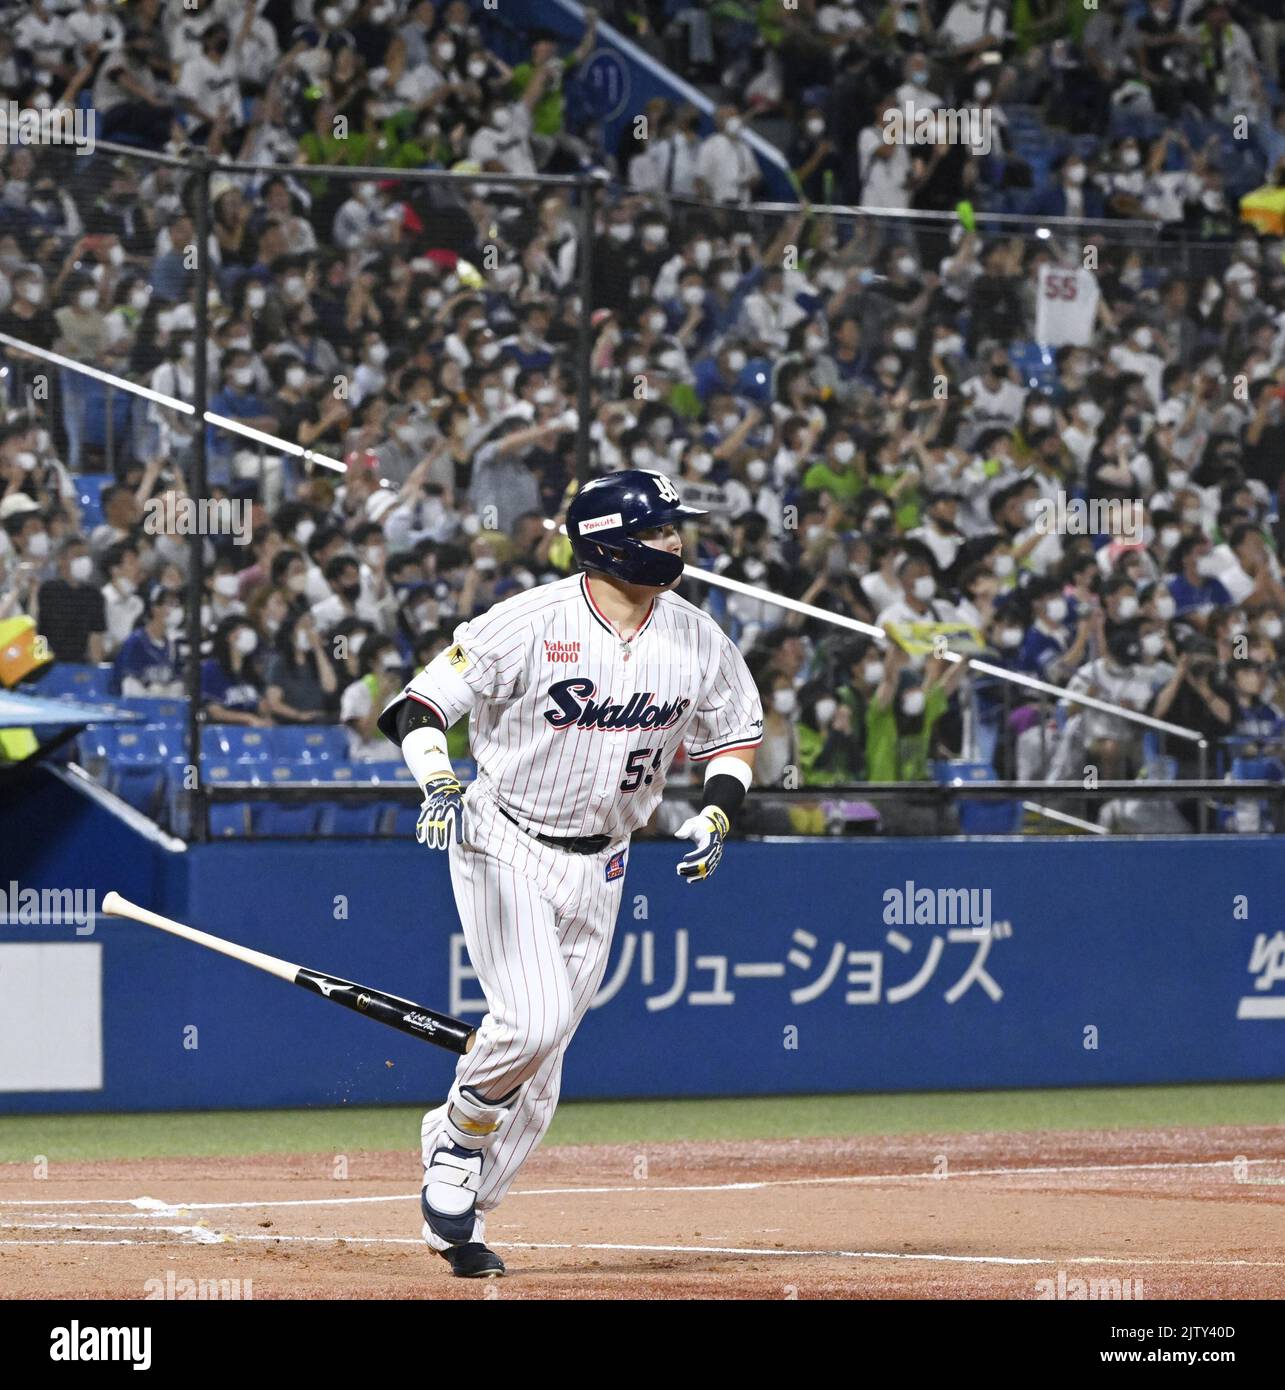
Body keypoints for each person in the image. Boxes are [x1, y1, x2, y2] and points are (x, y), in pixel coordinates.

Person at [376, 470, 762, 1278]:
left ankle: (462, 1214)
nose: (676, 541)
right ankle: (456, 1137)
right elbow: (418, 708)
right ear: (610, 541)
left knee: (543, 1071)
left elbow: (734, 737)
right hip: (503, 836)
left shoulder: (696, 637)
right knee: (535, 1018)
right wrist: (438, 779)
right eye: (659, 530)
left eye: (673, 528)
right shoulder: (528, 621)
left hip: (605, 863)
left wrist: (717, 809)